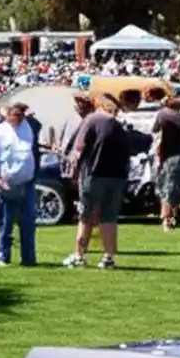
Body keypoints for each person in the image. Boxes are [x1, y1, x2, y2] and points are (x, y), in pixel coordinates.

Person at [64, 94, 129, 270]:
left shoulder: (91, 120)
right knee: (108, 217)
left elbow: (79, 148)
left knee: (85, 217)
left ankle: (79, 255)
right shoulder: (118, 125)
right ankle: (109, 257)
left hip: (94, 174)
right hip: (117, 177)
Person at [0, 102, 37, 266]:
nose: (18, 118)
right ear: (7, 115)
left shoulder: (28, 127)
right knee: (5, 223)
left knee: (28, 223)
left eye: (21, 115)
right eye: (15, 115)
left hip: (27, 183)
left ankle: (28, 259)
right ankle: (3, 257)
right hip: (5, 184)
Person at [151, 97, 180, 231]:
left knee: (167, 188)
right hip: (178, 156)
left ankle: (167, 218)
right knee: (172, 189)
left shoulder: (162, 115)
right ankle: (168, 219)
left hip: (168, 156)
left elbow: (155, 132)